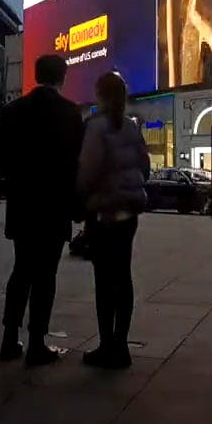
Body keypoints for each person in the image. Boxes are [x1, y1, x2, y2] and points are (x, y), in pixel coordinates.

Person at [0, 54, 84, 367]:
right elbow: (77, 164)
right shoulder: (71, 113)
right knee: (46, 274)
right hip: (54, 206)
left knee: (21, 271)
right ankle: (36, 343)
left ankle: (9, 338)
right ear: (62, 77)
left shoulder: (12, 111)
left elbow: (1, 161)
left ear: (35, 75)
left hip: (23, 205)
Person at [77, 72, 149, 370]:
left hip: (104, 212)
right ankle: (121, 344)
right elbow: (145, 165)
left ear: (100, 95)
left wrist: (79, 200)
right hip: (128, 213)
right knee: (124, 277)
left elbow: (88, 171)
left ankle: (107, 346)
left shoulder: (96, 127)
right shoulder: (132, 127)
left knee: (104, 282)